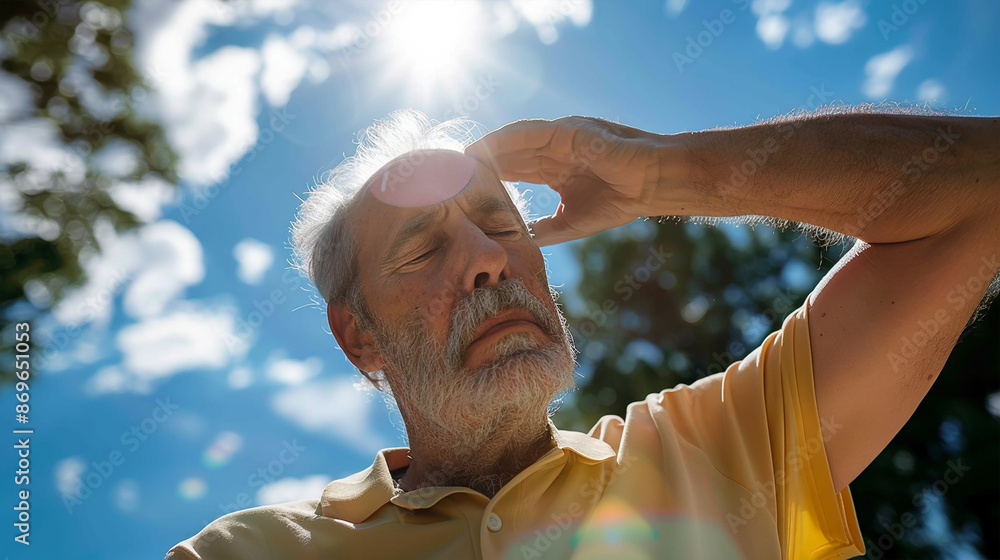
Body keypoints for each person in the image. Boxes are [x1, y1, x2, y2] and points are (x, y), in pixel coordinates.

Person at [167, 108, 999, 560]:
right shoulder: (249, 552)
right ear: (360, 340)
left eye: (502, 224)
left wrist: (666, 172)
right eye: (422, 249)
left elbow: (982, 188)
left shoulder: (717, 447)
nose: (489, 258)